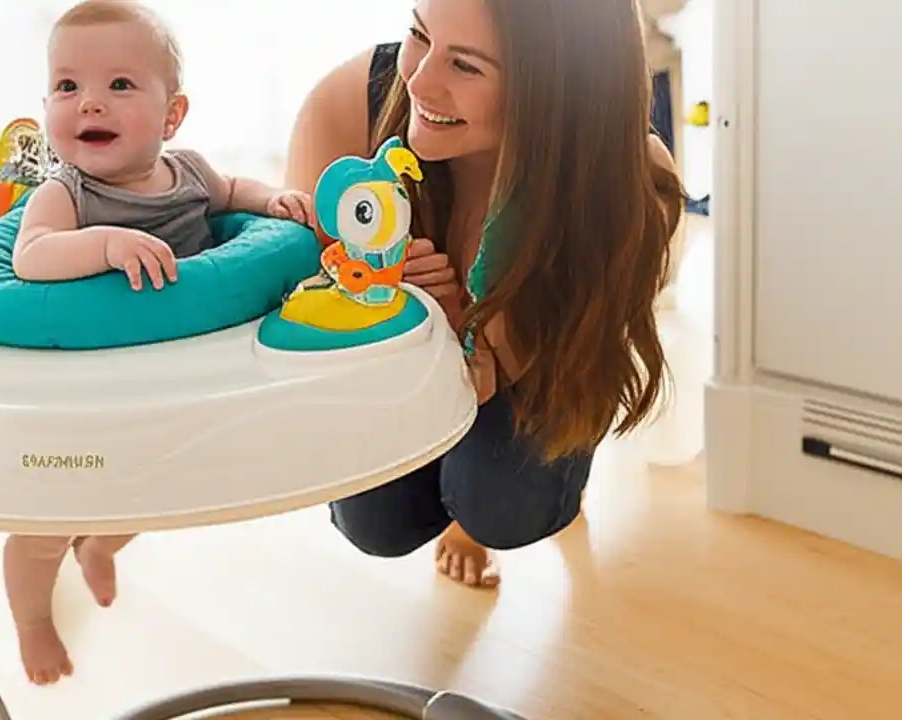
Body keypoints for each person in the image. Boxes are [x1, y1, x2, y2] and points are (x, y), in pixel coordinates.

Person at [285, 0, 684, 588]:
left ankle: (478, 515)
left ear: (556, 90)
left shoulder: (629, 180)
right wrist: (410, 321)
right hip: (393, 365)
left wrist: (464, 323)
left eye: (466, 66)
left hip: (542, 372)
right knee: (376, 520)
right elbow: (304, 305)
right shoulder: (347, 104)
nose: (418, 81)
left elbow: (553, 363)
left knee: (499, 497)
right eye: (420, 33)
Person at [6, 0, 313, 685]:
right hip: (88, 394)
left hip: (178, 385)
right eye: (67, 86)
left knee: (154, 491)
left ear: (171, 116)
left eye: (119, 85)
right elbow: (31, 259)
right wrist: (106, 244)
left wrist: (274, 201)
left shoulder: (193, 174)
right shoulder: (66, 196)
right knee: (45, 519)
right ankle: (32, 618)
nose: (91, 103)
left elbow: (236, 191)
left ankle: (102, 546)